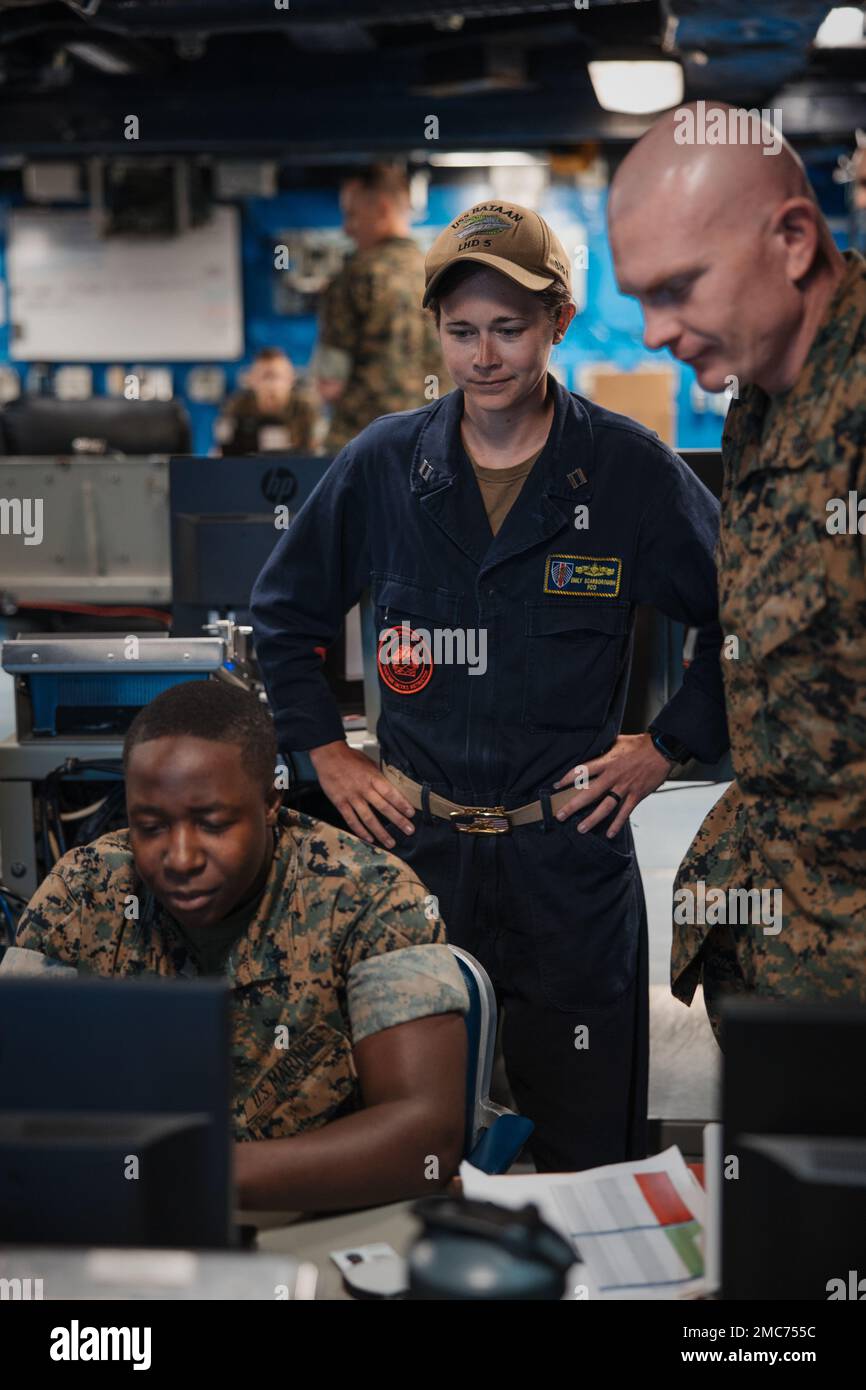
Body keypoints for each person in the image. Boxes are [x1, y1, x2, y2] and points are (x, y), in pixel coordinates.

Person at [250, 199, 730, 1172]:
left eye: (509, 329)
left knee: (588, 1142)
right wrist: (327, 755)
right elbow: (283, 613)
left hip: (568, 857)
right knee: (411, 1141)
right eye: (461, 331)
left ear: (557, 319)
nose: (483, 356)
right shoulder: (385, 465)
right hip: (415, 863)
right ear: (435, 332)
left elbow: (752, 617)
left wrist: (665, 742)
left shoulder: (625, 473)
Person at [2, 680, 468, 1211]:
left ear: (271, 802)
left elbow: (426, 1137)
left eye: (213, 823)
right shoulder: (83, 893)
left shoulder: (369, 896)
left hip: (319, 1224)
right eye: (150, 826)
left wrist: (185, 1175)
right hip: (117, 1223)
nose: (180, 857)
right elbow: (15, 1095)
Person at [608, 101, 866, 1044]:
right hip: (783, 938)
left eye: (676, 288)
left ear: (793, 238)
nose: (650, 332)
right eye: (641, 295)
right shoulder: (760, 392)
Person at [312, 163, 449, 451]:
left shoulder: (353, 276)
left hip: (364, 446)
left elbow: (329, 384)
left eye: (352, 215)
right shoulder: (440, 276)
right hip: (435, 444)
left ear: (383, 209)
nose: (347, 229)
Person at [215, 347, 318, 454]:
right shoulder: (237, 406)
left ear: (291, 379)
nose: (271, 384)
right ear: (251, 380)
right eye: (265, 376)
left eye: (278, 377)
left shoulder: (305, 409)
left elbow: (316, 451)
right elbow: (222, 452)